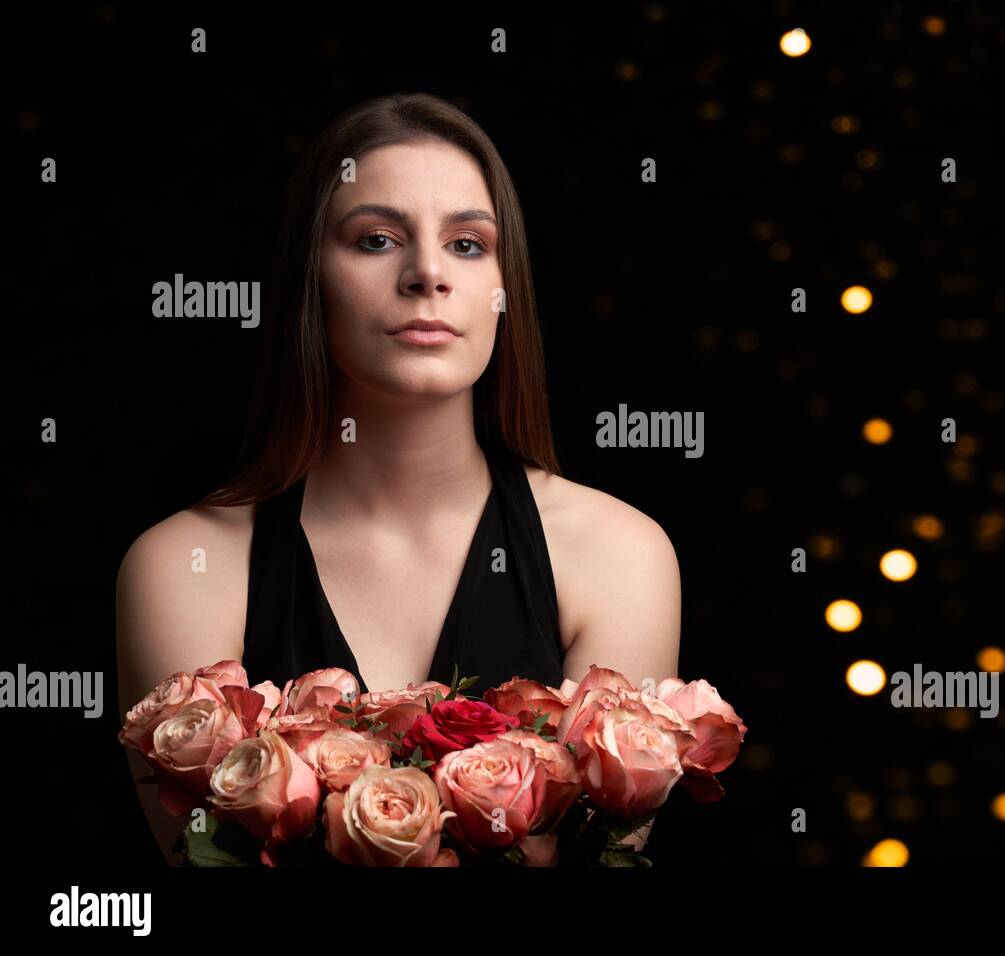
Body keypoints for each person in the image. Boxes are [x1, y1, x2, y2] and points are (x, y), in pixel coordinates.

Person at [116, 93, 680, 864]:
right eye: (377, 239)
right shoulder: (182, 565)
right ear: (308, 277)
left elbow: (603, 856)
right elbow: (199, 859)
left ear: (503, 289)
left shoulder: (620, 553)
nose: (426, 273)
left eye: (468, 244)